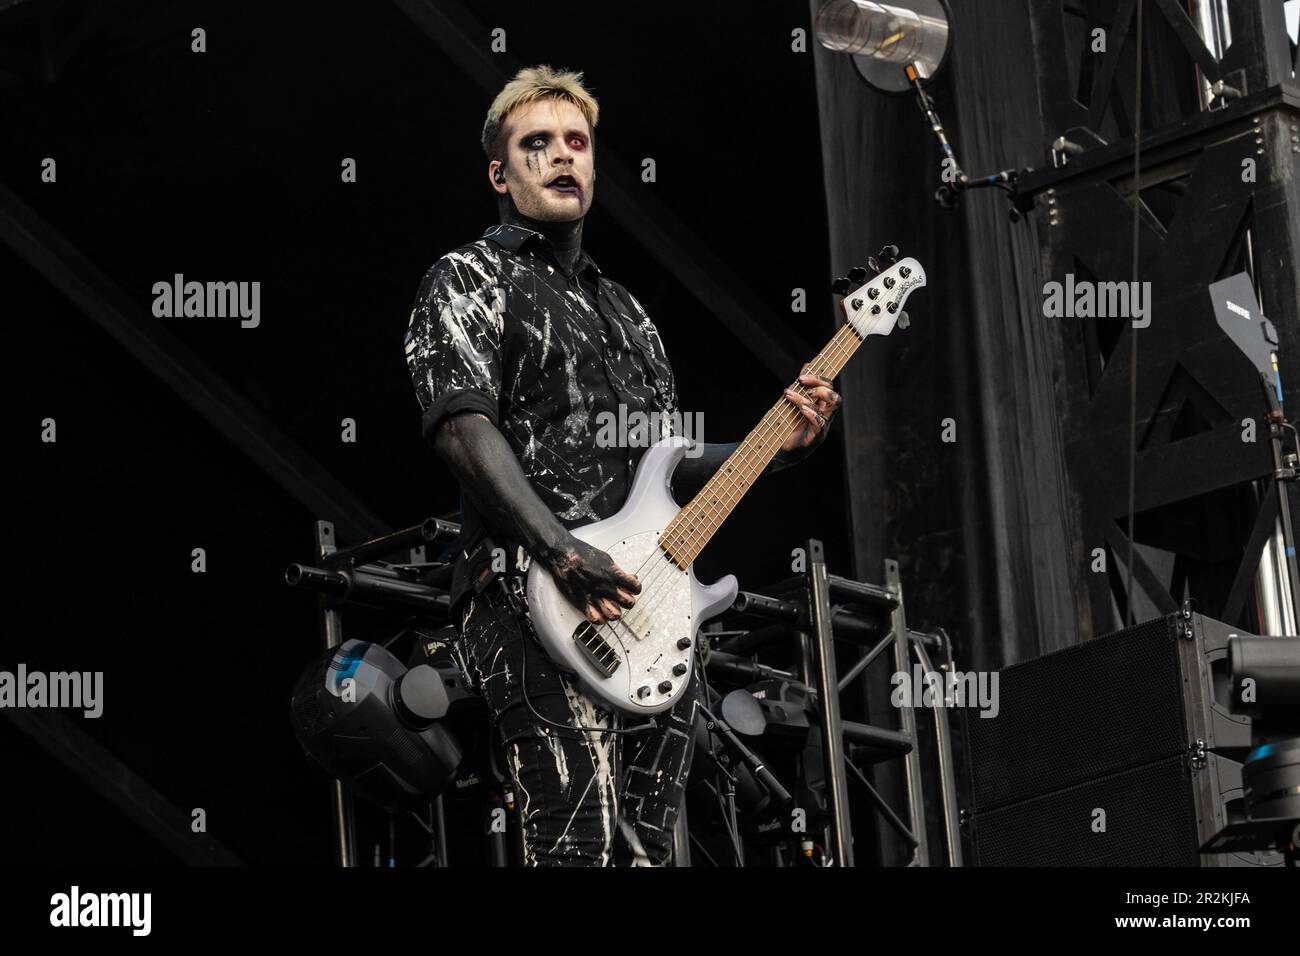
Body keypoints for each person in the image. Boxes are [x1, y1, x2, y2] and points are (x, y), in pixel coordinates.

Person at [403, 65, 840, 865]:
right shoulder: (468, 277)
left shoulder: (629, 314)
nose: (563, 157)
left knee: (650, 849)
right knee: (573, 836)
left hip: (651, 609)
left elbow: (664, 467)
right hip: (530, 593)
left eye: (577, 143)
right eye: (537, 145)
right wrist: (560, 549)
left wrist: (775, 447)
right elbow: (462, 427)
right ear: (500, 173)